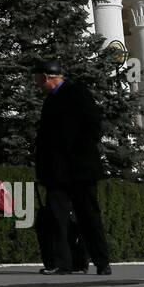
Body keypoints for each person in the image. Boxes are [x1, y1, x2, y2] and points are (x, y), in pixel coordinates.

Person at [33, 59, 112, 275]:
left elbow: (93, 124)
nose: (37, 84)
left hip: (80, 170)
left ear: (49, 77)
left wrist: (80, 152)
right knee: (56, 217)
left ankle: (102, 262)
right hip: (56, 173)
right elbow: (44, 141)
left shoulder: (77, 92)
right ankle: (62, 263)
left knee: (88, 216)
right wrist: (41, 170)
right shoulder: (50, 101)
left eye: (39, 79)